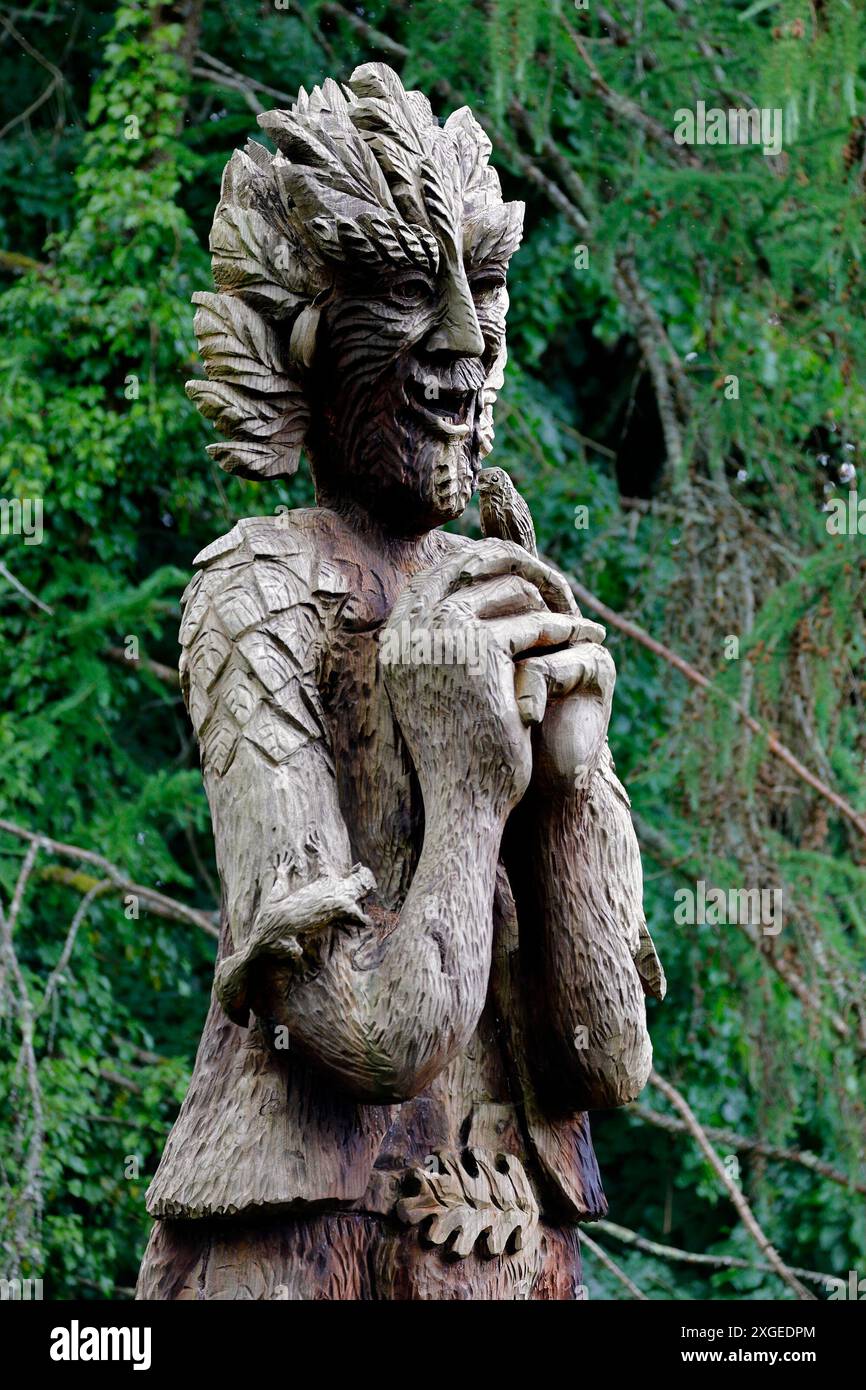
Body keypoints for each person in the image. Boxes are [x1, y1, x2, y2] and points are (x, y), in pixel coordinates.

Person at [136, 62, 663, 1301]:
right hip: (301, 1243)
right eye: (399, 291)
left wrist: (576, 792)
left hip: (513, 1240)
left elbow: (608, 1057)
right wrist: (468, 773)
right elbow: (369, 1038)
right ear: (308, 329)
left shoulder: (505, 587)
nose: (466, 342)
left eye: (481, 286)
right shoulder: (255, 595)